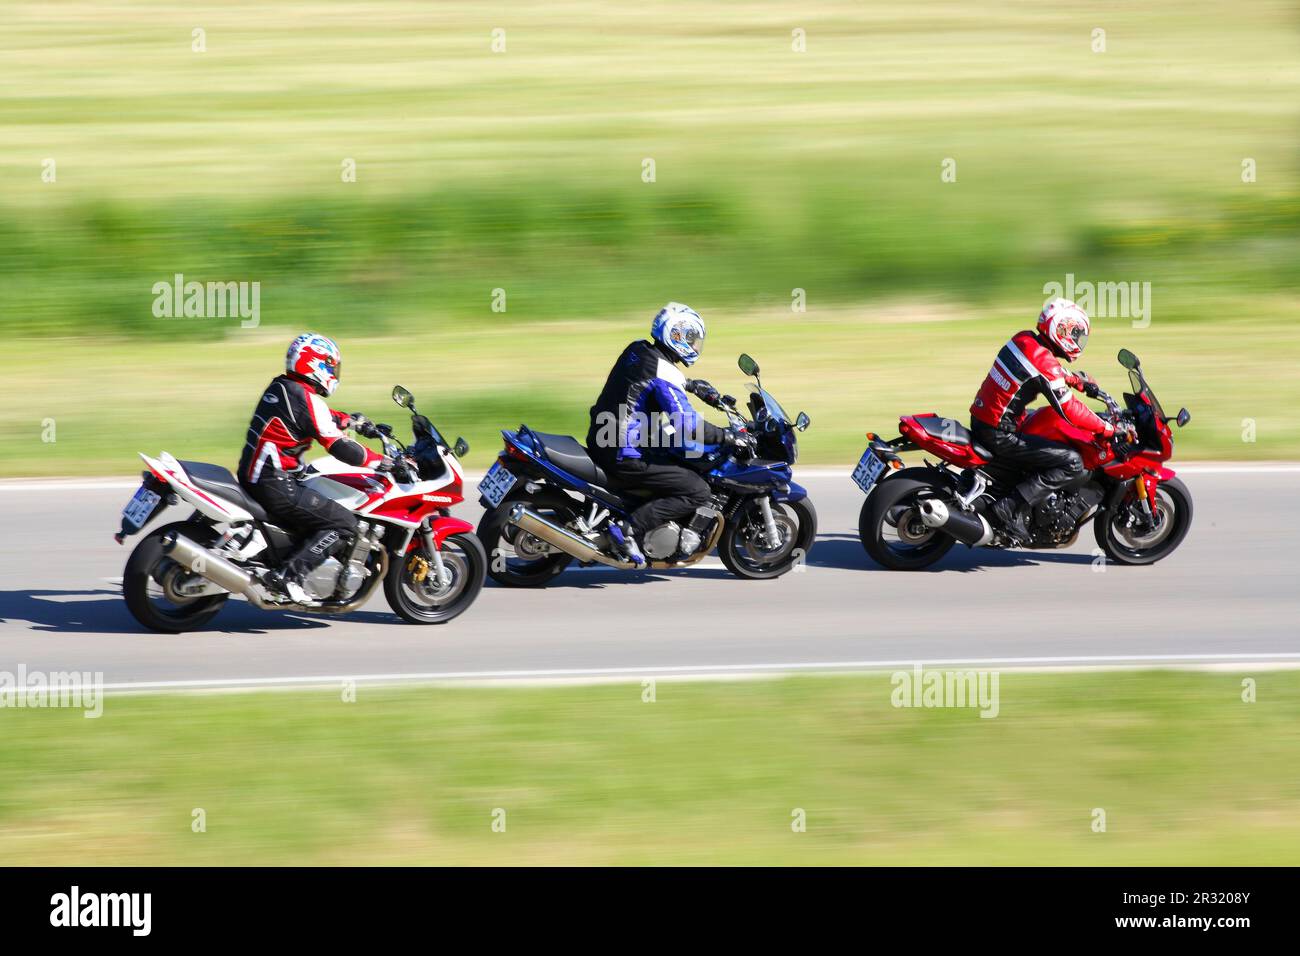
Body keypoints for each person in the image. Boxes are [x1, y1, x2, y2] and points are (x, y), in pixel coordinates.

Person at [238, 333, 385, 602]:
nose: (333, 373)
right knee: (345, 524)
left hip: (255, 477)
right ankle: (290, 577)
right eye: (330, 366)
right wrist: (382, 461)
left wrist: (351, 421)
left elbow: (317, 417)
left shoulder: (282, 387)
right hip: (277, 485)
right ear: (316, 365)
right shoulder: (305, 398)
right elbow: (340, 447)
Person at [969, 298, 1125, 542]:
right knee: (1072, 462)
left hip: (988, 419)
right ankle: (1008, 509)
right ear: (1061, 329)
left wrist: (1076, 380)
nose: (1078, 340)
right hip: (1000, 432)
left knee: (1045, 424)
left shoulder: (1025, 340)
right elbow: (1070, 409)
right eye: (1076, 334)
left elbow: (1046, 371)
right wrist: (1106, 428)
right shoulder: (1043, 361)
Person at [586, 303, 731, 566]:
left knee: (670, 454)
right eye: (692, 339)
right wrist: (726, 436)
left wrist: (688, 384)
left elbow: (645, 377)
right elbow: (689, 426)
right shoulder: (666, 373)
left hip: (602, 437)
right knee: (697, 490)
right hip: (624, 451)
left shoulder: (638, 348)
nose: (696, 346)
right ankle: (627, 530)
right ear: (677, 336)